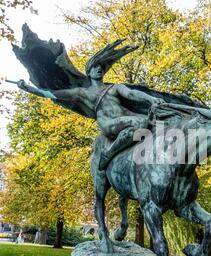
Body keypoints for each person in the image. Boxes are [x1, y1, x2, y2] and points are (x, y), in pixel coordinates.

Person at [16, 40, 165, 171]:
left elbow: (132, 94)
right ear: (89, 71)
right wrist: (28, 88)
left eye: (101, 67)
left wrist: (151, 99)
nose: (99, 69)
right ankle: (109, 153)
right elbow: (53, 94)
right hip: (108, 123)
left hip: (126, 118)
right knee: (142, 123)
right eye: (95, 67)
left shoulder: (114, 87)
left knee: (160, 123)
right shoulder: (82, 93)